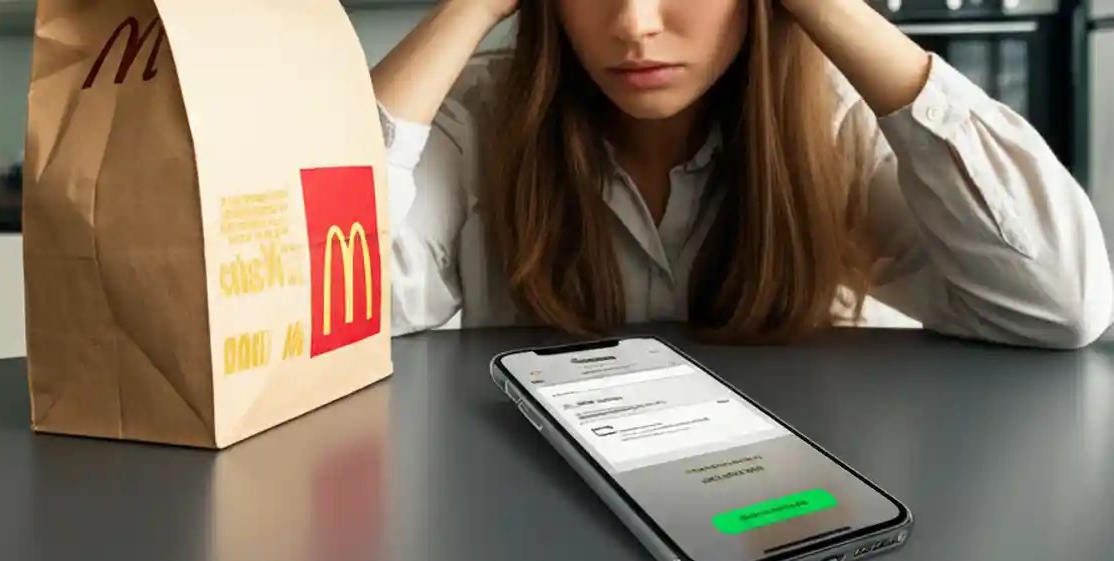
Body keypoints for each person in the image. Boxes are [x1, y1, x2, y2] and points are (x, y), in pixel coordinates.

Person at [371, 0, 1113, 348]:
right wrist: (467, 9)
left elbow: (1059, 303)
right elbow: (308, 319)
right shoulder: (479, 118)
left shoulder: (834, 118)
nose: (634, 23)